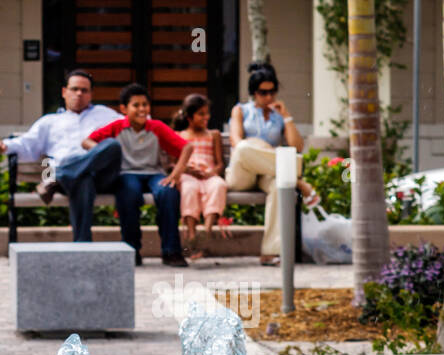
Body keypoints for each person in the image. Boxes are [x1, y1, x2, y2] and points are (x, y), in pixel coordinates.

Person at [0, 69, 122, 240]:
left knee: (112, 146)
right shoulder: (50, 122)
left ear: (91, 94)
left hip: (100, 176)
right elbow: (28, 144)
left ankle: (58, 176)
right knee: (82, 177)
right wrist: (5, 146)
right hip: (76, 180)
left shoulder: (106, 115)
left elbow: (135, 125)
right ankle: (82, 246)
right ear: (64, 92)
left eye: (84, 90)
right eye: (74, 89)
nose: (79, 94)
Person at [83, 83, 194, 268]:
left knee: (169, 192)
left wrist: (176, 174)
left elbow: (187, 147)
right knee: (128, 194)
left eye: (145, 105)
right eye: (136, 105)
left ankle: (171, 251)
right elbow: (86, 142)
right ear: (124, 109)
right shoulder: (116, 127)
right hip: (127, 174)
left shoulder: (156, 127)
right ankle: (132, 250)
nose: (142, 109)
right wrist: (105, 151)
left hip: (154, 174)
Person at [226, 61, 319, 265]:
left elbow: (297, 147)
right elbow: (235, 142)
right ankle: (298, 180)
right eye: (263, 92)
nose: (268, 97)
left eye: (272, 92)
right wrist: (263, 149)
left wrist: (286, 117)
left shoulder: (279, 115)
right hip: (243, 172)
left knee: (280, 186)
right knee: (245, 147)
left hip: (268, 172)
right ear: (253, 93)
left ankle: (270, 252)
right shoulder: (241, 110)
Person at [172, 94, 229, 249]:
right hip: (189, 175)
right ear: (189, 117)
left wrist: (212, 173)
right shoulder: (180, 136)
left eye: (207, 113)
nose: (206, 117)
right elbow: (174, 165)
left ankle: (206, 230)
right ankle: (191, 234)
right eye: (201, 114)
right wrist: (188, 170)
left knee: (218, 185)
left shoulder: (213, 135)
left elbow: (219, 164)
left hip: (209, 174)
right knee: (189, 189)